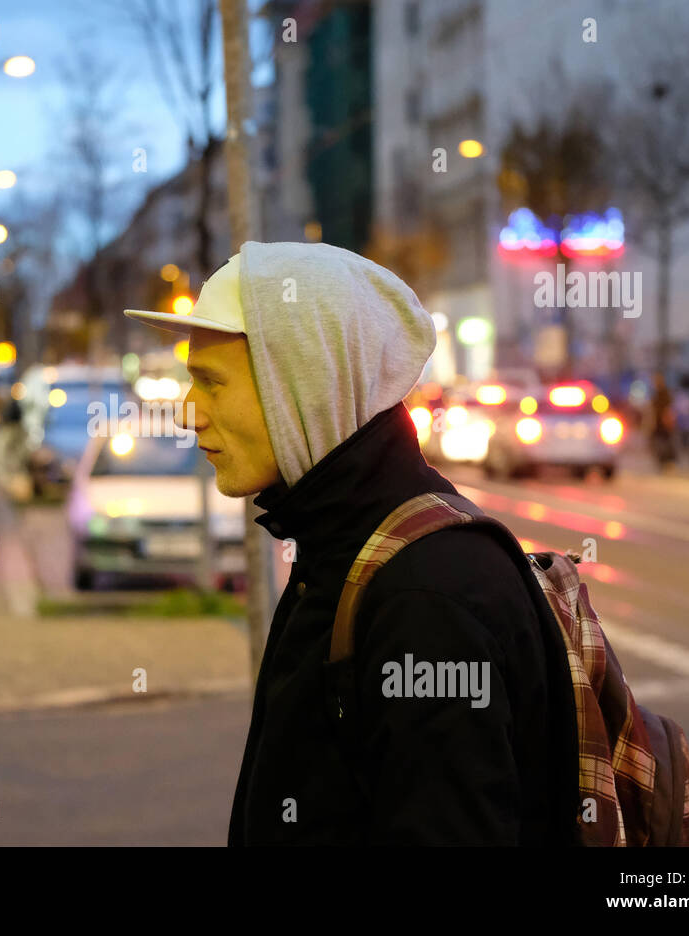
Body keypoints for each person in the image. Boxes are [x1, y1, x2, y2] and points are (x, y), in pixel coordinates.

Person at [124, 242, 579, 845]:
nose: (188, 413)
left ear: (303, 385)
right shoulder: (342, 539)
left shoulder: (425, 593)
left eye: (211, 383)